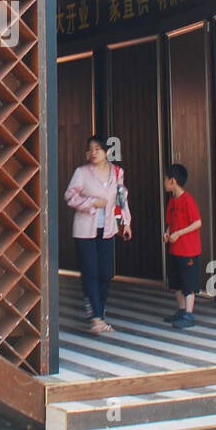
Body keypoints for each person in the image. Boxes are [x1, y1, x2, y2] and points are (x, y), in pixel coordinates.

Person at [64, 135, 132, 333]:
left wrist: (126, 223)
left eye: (97, 149)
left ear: (106, 152)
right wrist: (91, 203)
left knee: (105, 273)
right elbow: (70, 196)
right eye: (90, 149)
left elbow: (122, 199)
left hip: (108, 228)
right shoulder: (82, 173)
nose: (93, 152)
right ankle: (95, 318)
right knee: (90, 272)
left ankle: (99, 314)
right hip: (85, 229)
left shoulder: (117, 173)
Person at [163, 164, 202, 327]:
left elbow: (198, 222)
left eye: (166, 179)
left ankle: (189, 315)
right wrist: (167, 232)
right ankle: (181, 310)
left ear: (173, 181)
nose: (164, 182)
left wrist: (179, 233)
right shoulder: (172, 200)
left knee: (188, 284)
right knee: (176, 283)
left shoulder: (188, 200)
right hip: (175, 250)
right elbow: (170, 222)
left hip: (189, 250)